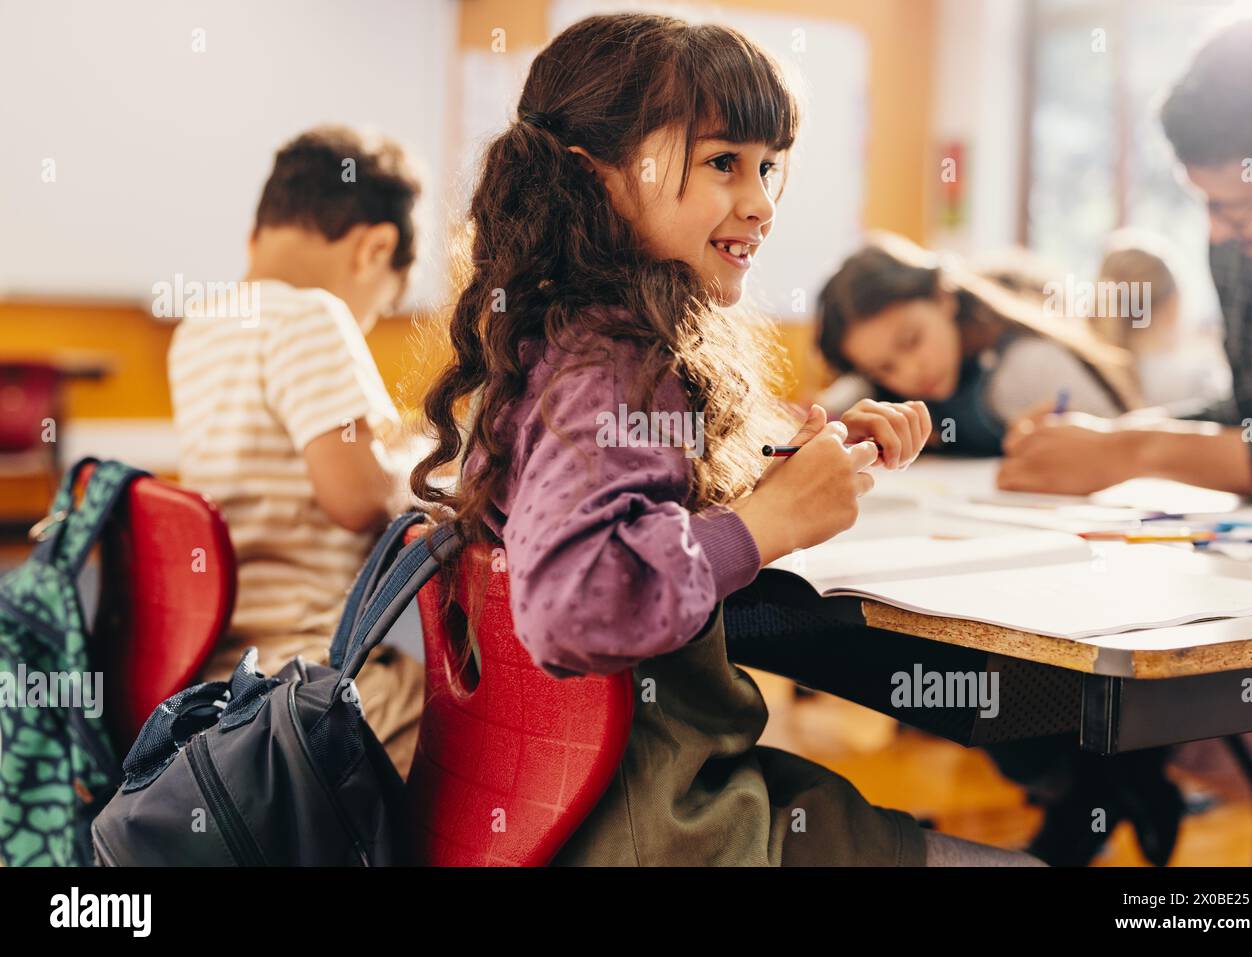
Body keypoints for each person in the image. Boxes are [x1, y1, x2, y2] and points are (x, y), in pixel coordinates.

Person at [409, 13, 1042, 866]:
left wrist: (787, 473)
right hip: (661, 826)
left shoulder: (556, 339)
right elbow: (575, 601)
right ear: (591, 179)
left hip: (579, 809)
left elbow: (621, 500)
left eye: (769, 166)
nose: (762, 201)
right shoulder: (614, 360)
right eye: (722, 162)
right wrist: (768, 522)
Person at [167, 126, 426, 777]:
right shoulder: (313, 316)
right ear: (376, 248)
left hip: (219, 665)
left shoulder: (199, 331)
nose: (368, 320)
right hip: (310, 671)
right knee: (477, 727)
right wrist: (422, 469)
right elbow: (357, 498)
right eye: (383, 307)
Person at [999, 11, 1252, 501]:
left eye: (1240, 206)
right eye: (1206, 203)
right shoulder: (1237, 248)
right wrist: (1107, 437)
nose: (1218, 230)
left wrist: (1139, 451)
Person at [815, 232, 1139, 456]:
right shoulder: (880, 389)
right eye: (884, 368)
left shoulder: (1029, 366)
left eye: (912, 341)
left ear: (942, 297)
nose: (909, 373)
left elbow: (1129, 446)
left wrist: (1072, 445)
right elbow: (848, 398)